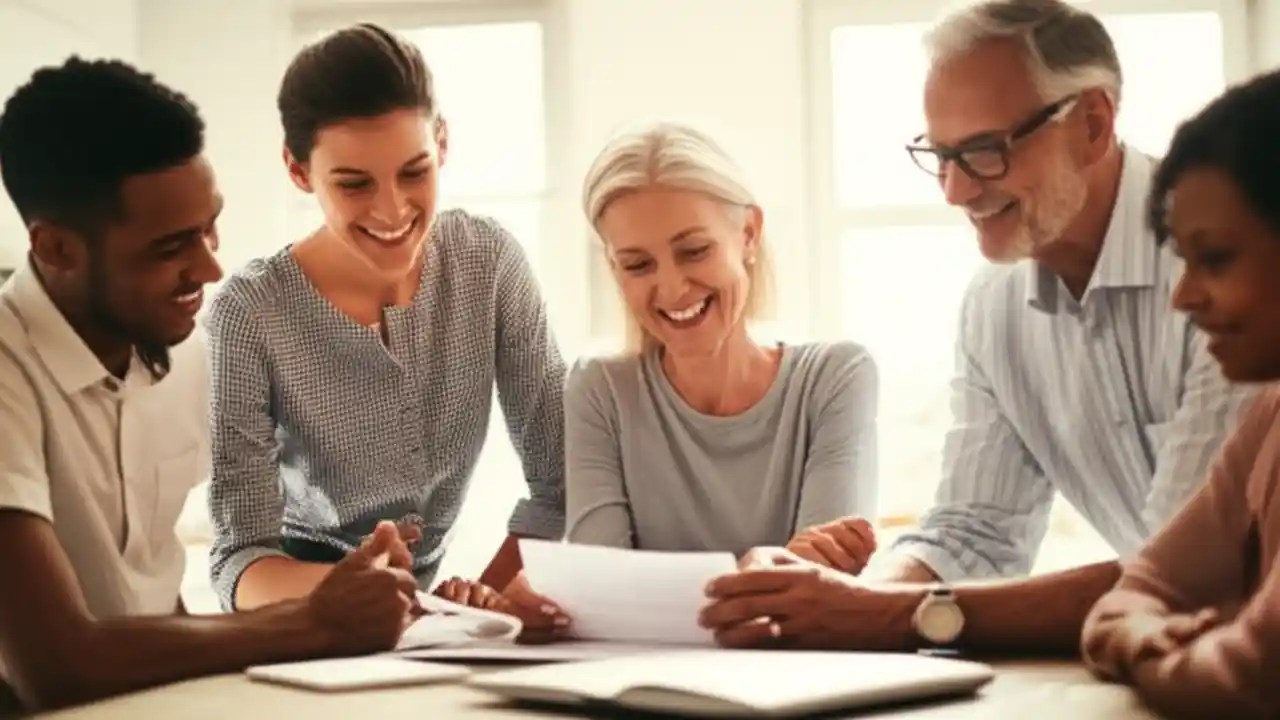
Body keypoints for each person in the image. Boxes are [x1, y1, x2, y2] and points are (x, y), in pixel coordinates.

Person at [699, 0, 1250, 653]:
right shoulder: (995, 307)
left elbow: (1190, 569)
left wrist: (880, 615)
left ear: (1094, 124)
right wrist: (845, 599)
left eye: (985, 151)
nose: (955, 192)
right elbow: (974, 534)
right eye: (942, 155)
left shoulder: (1230, 270)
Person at [0, 58, 422, 712]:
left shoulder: (183, 351)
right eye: (170, 248)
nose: (210, 265)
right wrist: (314, 621)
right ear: (56, 249)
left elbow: (144, 599)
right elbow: (54, 666)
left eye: (209, 226)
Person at [204, 23, 565, 634]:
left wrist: (481, 600)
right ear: (298, 171)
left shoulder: (490, 263)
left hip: (428, 623)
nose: (393, 210)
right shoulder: (250, 312)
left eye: (414, 172)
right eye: (354, 184)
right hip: (307, 605)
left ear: (443, 143)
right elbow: (240, 558)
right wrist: (368, 597)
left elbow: (561, 483)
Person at [568, 122, 878, 571]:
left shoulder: (834, 377)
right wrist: (752, 569)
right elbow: (598, 583)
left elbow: (821, 588)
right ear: (614, 268)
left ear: (749, 234)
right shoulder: (600, 390)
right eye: (638, 264)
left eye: (694, 251)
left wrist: (652, 591)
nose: (672, 289)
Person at [1081, 68, 1280, 720]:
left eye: (1215, 258)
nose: (1182, 296)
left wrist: (1144, 651)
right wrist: (1143, 630)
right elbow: (1144, 587)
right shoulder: (1272, 413)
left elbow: (1248, 678)